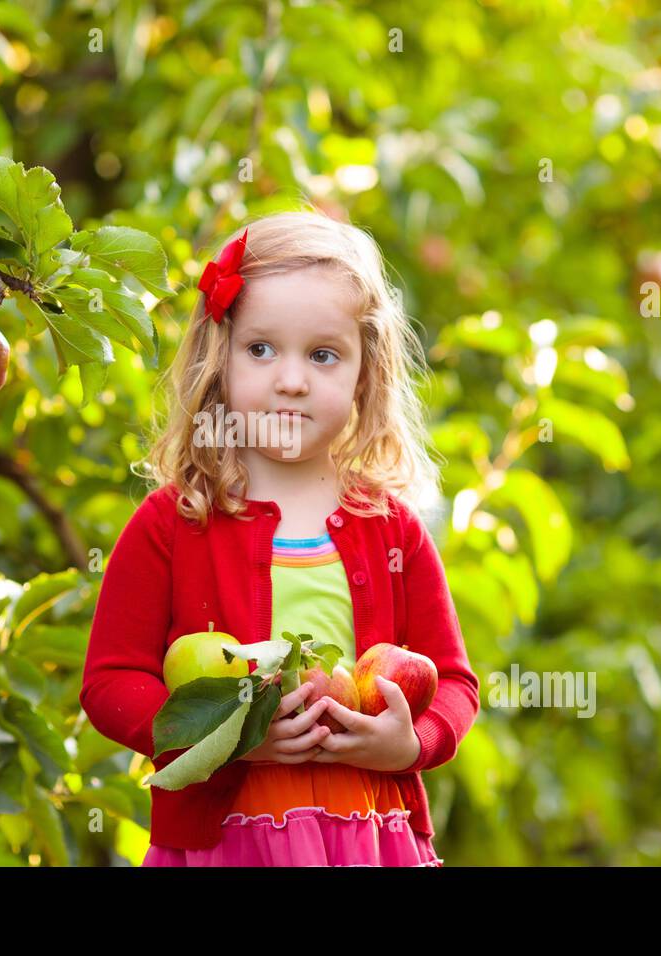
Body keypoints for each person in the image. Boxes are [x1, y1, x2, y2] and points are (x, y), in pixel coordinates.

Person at [79, 209, 480, 866]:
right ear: (221, 356)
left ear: (364, 373)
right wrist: (222, 734)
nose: (291, 379)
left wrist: (409, 745)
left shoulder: (391, 529)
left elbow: (456, 681)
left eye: (323, 355)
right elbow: (111, 681)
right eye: (261, 349)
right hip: (224, 835)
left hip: (367, 831)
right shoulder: (173, 523)